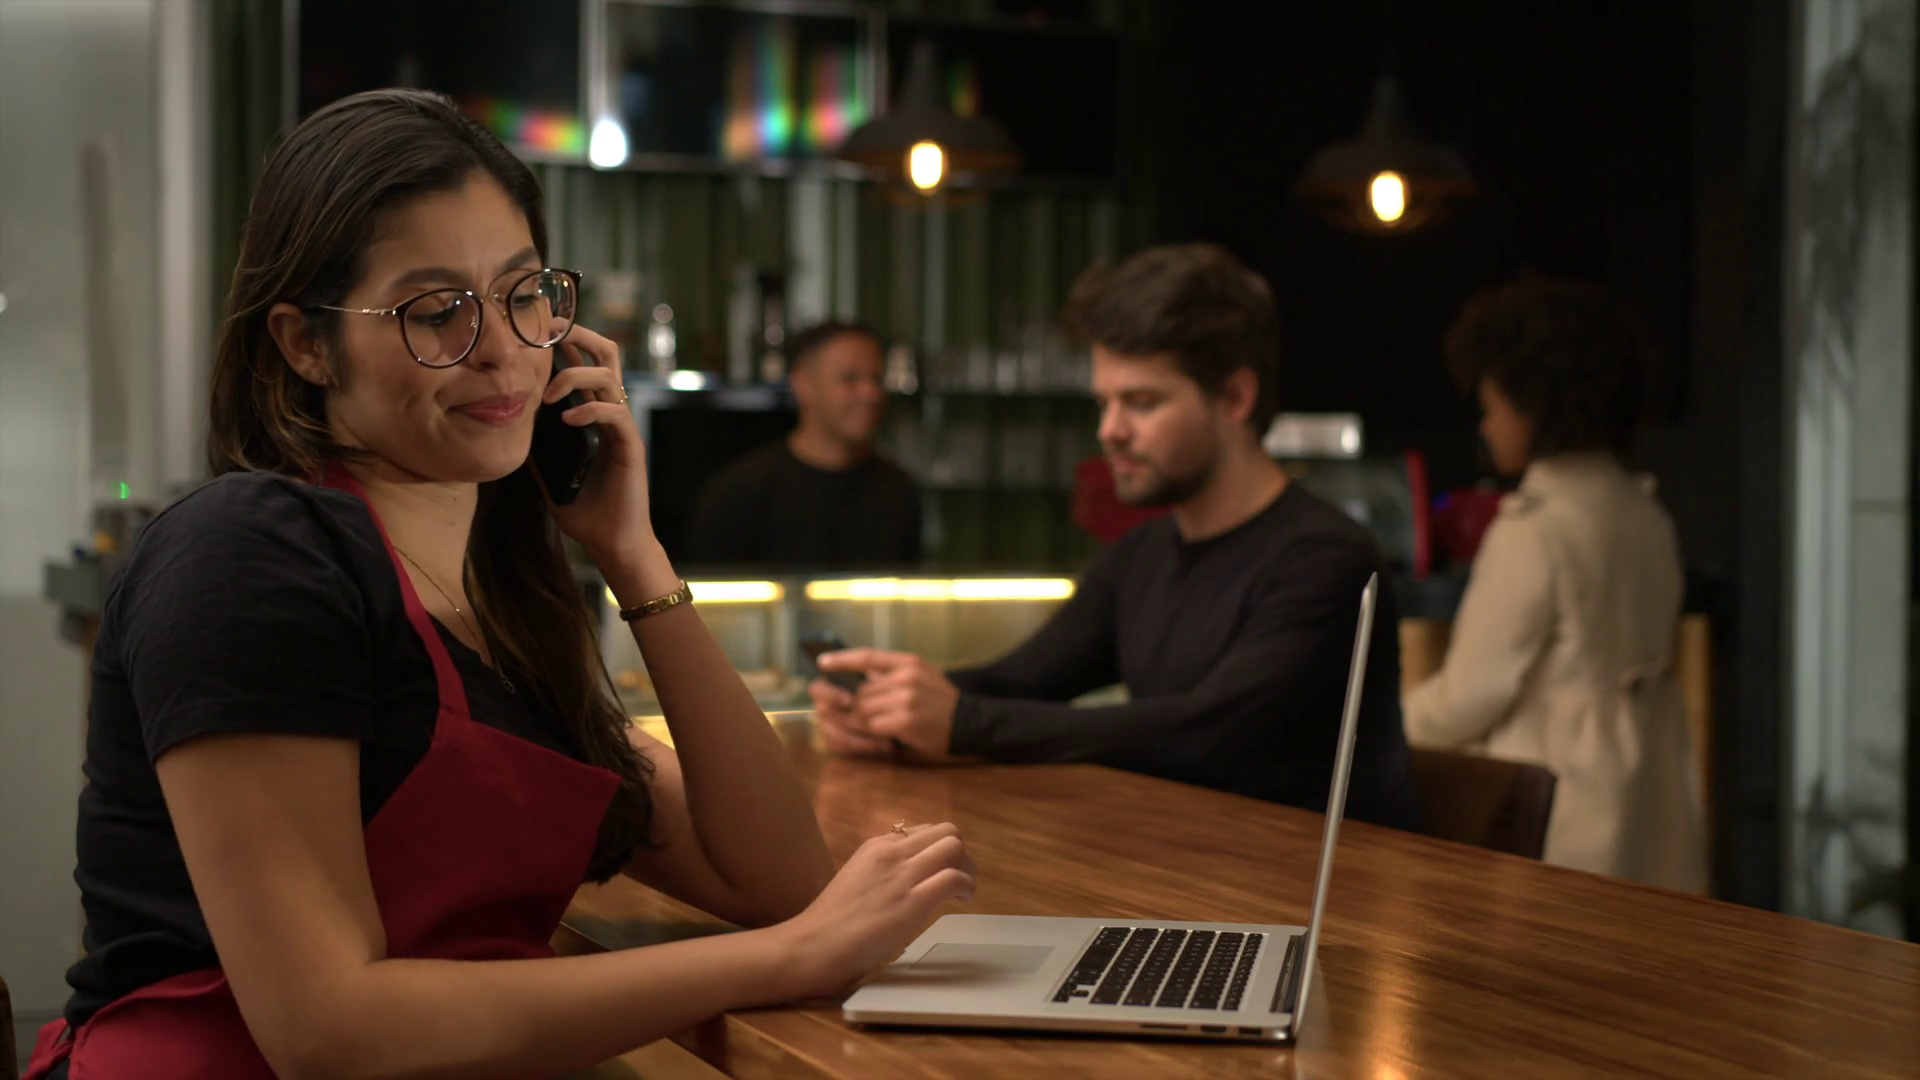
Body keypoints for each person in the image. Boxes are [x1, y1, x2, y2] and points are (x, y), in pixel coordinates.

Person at [25, 89, 974, 1080]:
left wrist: (634, 554)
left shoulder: (503, 613)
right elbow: (328, 1029)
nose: (501, 349)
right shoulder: (249, 555)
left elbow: (780, 880)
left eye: (524, 296)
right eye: (438, 311)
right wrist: (781, 963)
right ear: (305, 344)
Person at [808, 244, 1421, 831]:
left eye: (1142, 402)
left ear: (1236, 396)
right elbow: (1019, 682)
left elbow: (1207, 735)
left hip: (1333, 901)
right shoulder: (1141, 555)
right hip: (1193, 873)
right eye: (1103, 403)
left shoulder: (1328, 558)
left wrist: (962, 721)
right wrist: (886, 708)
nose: (1109, 430)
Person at [1403, 277, 1708, 893]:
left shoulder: (1534, 530)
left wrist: (1377, 729)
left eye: (1492, 407)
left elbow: (1469, 695)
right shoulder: (1644, 512)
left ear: (1534, 405)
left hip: (1564, 799)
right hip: (1654, 788)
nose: (1486, 426)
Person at [688, 322, 922, 567]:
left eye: (876, 379)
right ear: (802, 384)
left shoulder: (899, 491)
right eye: (850, 379)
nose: (870, 394)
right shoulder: (740, 493)